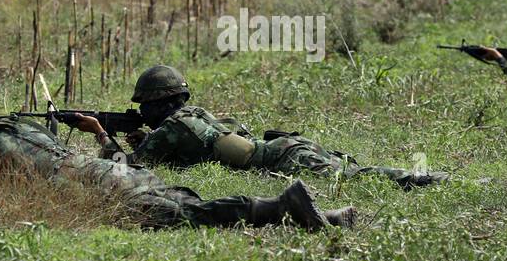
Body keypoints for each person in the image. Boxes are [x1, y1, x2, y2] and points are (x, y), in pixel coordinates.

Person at [0, 81, 355, 231]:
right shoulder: (18, 124)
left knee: (187, 217)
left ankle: (282, 206)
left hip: (98, 191)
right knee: (184, 201)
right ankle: (322, 217)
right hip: (109, 170)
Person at [114, 65, 448, 190]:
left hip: (284, 158)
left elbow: (130, 168)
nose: (142, 111)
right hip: (287, 148)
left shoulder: (172, 125)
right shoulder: (195, 114)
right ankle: (425, 178)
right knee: (356, 172)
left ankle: (431, 180)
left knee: (356, 177)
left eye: (145, 106)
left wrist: (101, 135)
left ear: (157, 105)